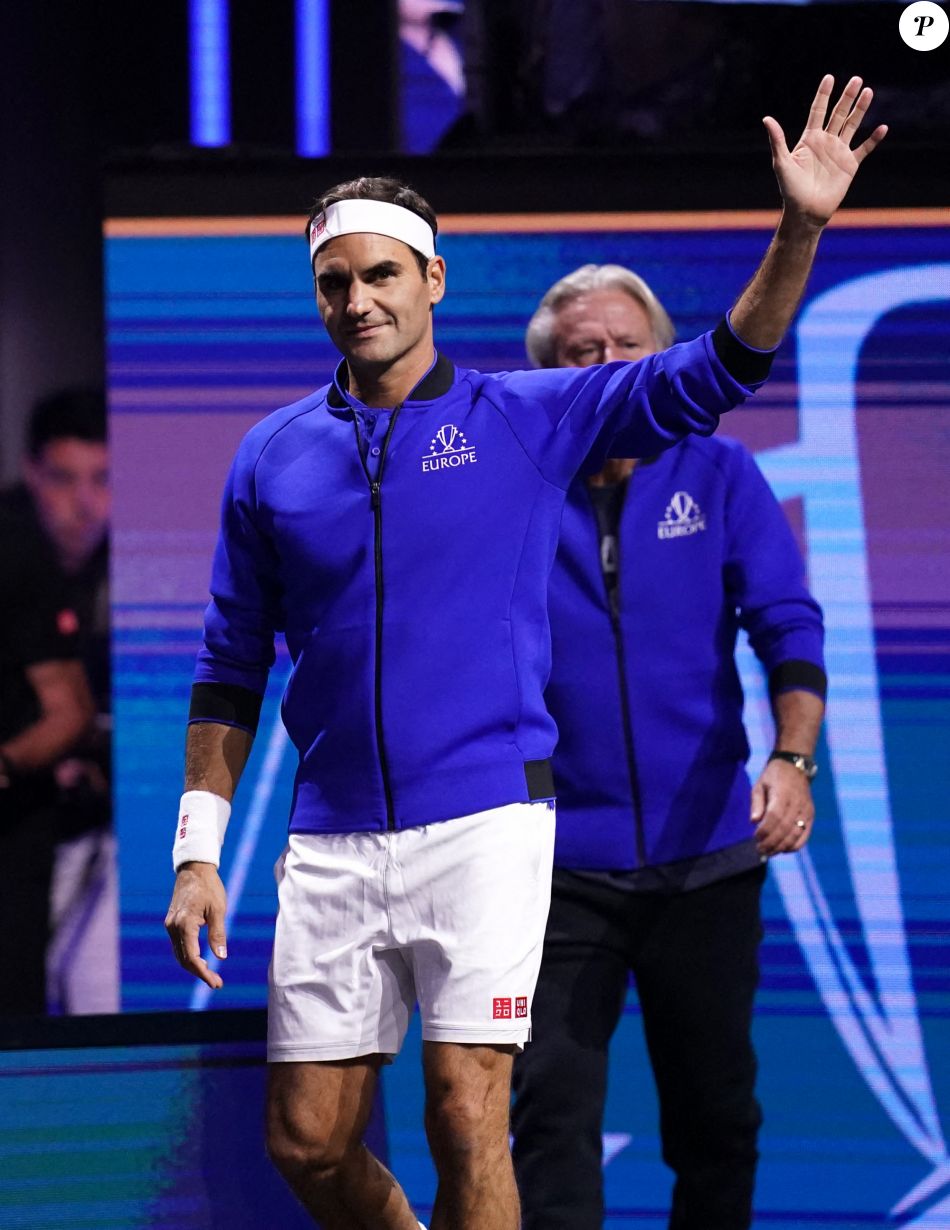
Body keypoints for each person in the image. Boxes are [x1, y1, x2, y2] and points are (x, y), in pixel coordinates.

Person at [164, 77, 885, 1230]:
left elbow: (722, 367)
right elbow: (228, 663)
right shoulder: (270, 455)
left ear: (434, 280)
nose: (358, 300)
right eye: (334, 282)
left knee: (472, 1116)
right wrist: (197, 854)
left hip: (488, 822)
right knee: (305, 1143)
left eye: (382, 274)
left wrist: (797, 228)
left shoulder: (528, 416)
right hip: (332, 835)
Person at [510, 260, 825, 1230]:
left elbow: (787, 626)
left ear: (662, 359)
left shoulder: (719, 472)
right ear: (550, 376)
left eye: (627, 346)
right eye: (582, 353)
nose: (608, 365)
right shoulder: (512, 495)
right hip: (556, 873)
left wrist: (791, 760)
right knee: (550, 1121)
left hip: (706, 862)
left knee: (715, 1120)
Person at [0, 390, 116, 1015]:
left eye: (103, 479)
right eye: (64, 479)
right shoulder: (12, 552)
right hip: (27, 826)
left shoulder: (146, 571)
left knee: (87, 987)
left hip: (113, 829)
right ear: (31, 473)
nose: (84, 503)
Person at [0, 518, 94, 1016]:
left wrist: (7, 760)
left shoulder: (15, 558)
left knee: (13, 1013)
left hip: (12, 834)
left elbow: (71, 711)